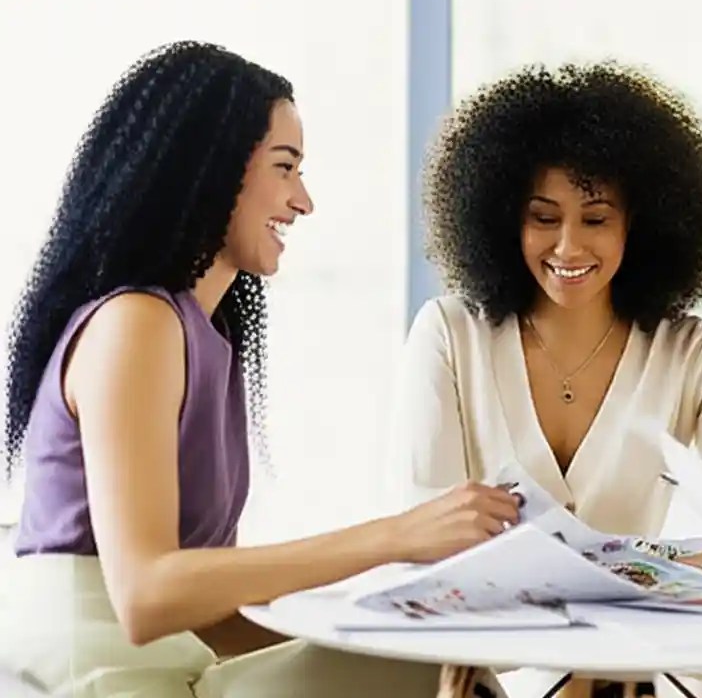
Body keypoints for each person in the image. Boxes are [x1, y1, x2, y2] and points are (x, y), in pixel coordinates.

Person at [0, 41, 518, 697]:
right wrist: (398, 537)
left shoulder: (203, 337)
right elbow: (145, 595)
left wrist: (396, 624)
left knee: (440, 670)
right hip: (99, 677)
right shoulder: (136, 323)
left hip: (173, 666)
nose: (303, 201)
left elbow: (210, 613)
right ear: (208, 169)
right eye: (285, 167)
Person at [393, 60, 702, 698]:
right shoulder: (449, 335)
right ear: (503, 219)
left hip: (644, 670)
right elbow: (428, 537)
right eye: (544, 217)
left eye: (596, 218)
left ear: (637, 223)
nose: (568, 246)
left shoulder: (686, 350)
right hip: (491, 669)